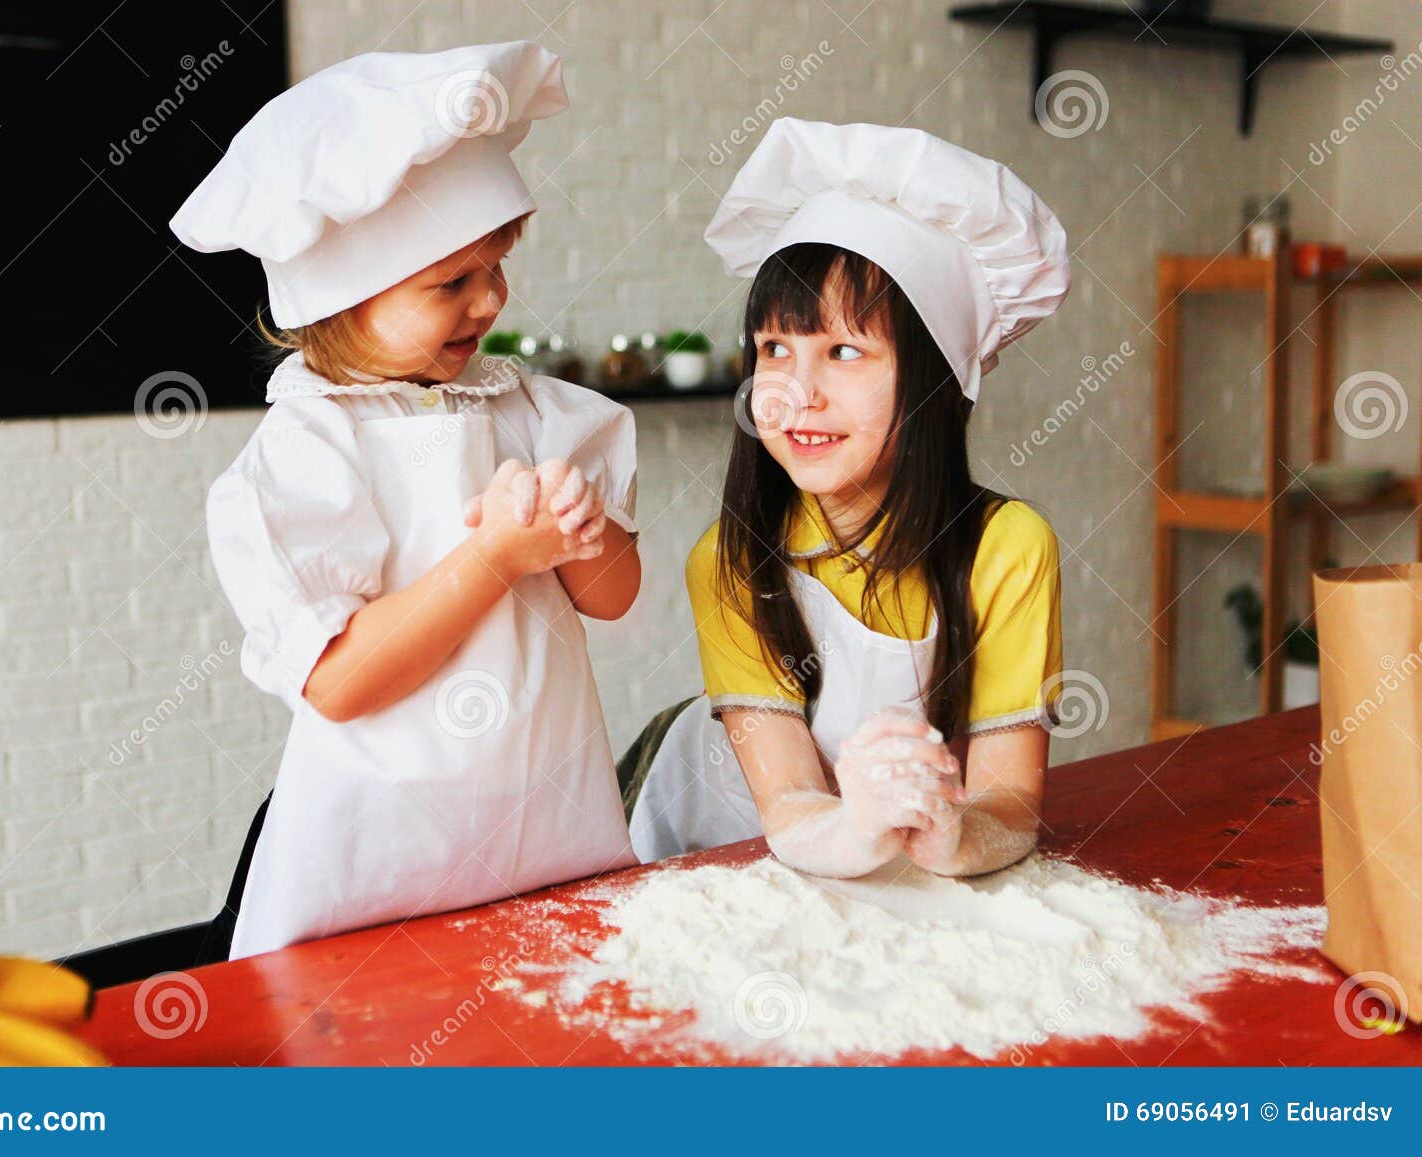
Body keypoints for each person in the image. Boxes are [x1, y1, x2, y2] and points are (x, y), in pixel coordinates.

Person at [172, 41, 641, 960]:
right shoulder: (310, 449)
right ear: (341, 302)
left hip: (550, 851)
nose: (489, 301)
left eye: (497, 266)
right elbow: (341, 682)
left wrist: (581, 530)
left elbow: (614, 597)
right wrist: (496, 558)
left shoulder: (533, 407)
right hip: (373, 888)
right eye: (450, 283)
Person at [623, 119, 1069, 881]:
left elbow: (1008, 803)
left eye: (845, 351)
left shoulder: (1007, 548)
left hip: (862, 853)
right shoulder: (730, 559)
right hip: (710, 836)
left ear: (933, 381)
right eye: (775, 351)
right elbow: (792, 802)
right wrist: (861, 824)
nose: (797, 392)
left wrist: (951, 837)